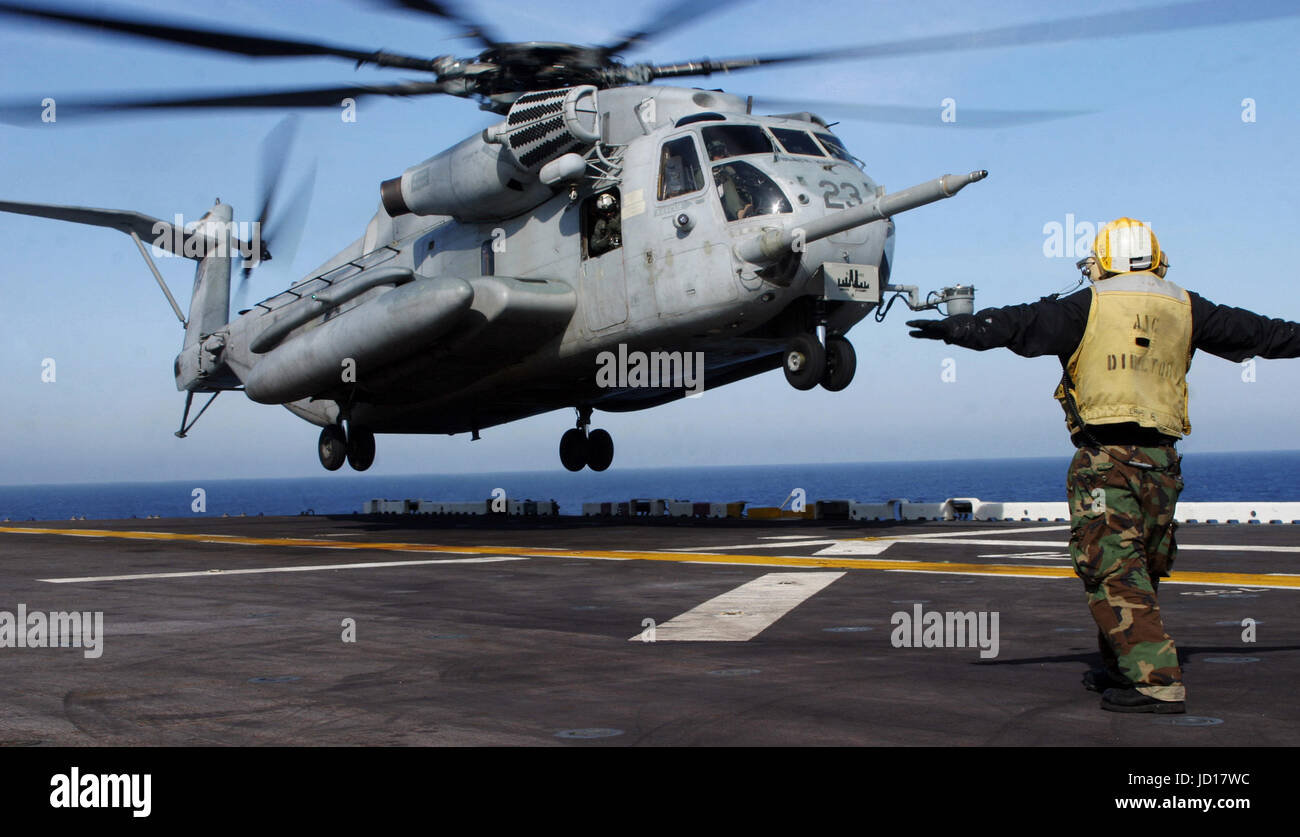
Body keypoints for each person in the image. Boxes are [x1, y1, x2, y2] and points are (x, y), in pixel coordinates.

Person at [906, 217, 1300, 714]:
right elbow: (1264, 334)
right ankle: (1120, 664)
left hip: (1105, 459)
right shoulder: (1187, 306)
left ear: (1101, 261)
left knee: (1112, 568)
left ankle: (1155, 682)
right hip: (1162, 462)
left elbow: (1021, 322)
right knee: (1144, 566)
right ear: (1157, 260)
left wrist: (960, 329)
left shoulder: (1088, 304)